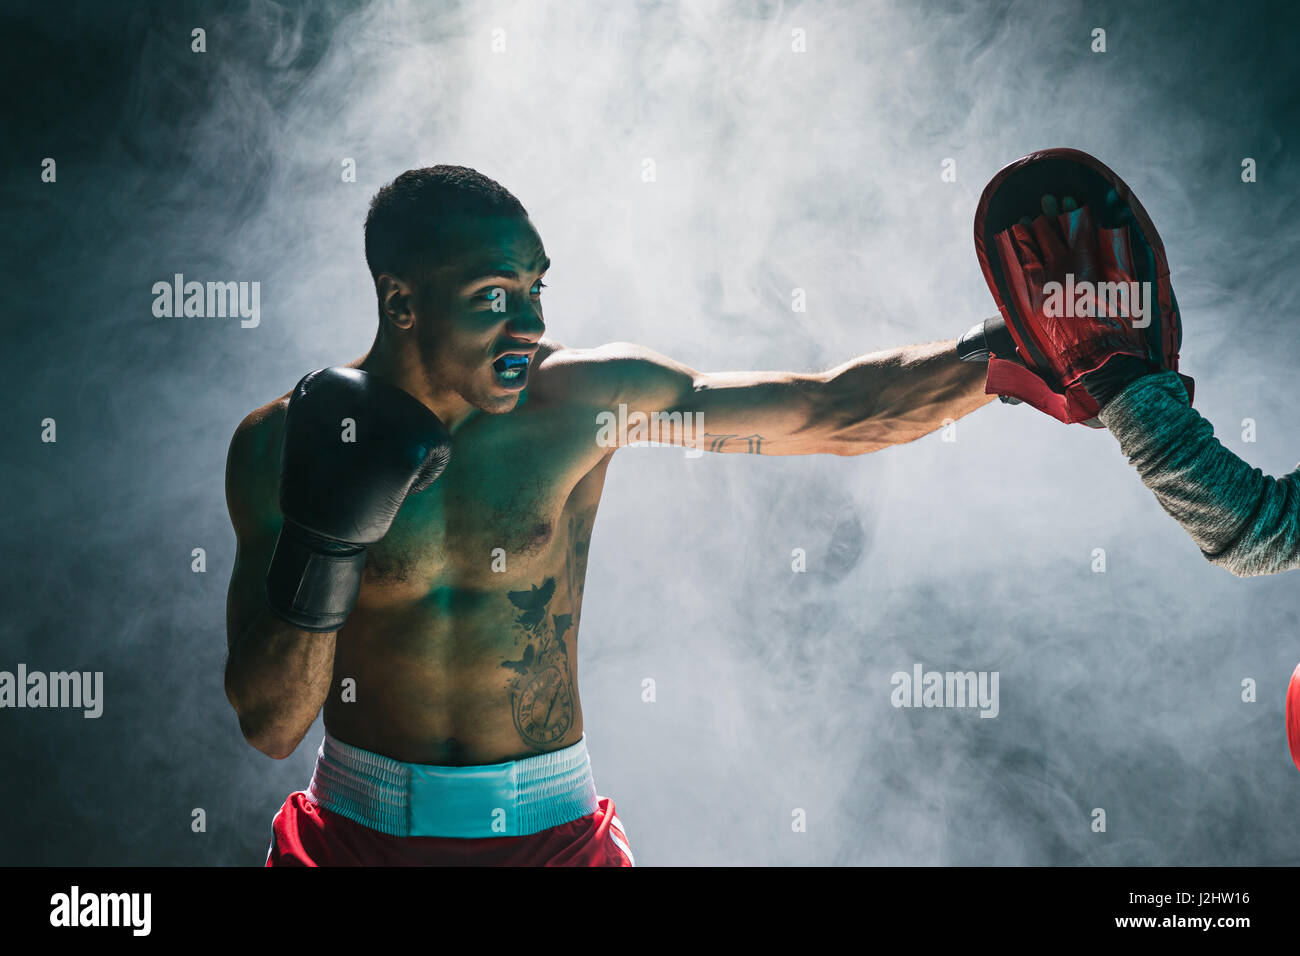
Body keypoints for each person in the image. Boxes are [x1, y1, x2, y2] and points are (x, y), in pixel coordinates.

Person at [224, 165, 997, 866]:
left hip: (550, 838)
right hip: (354, 838)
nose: (527, 322)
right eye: (496, 295)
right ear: (401, 301)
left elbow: (830, 410)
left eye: (536, 289)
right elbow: (271, 727)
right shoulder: (280, 444)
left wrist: (1001, 357)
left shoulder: (583, 403)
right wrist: (323, 543)